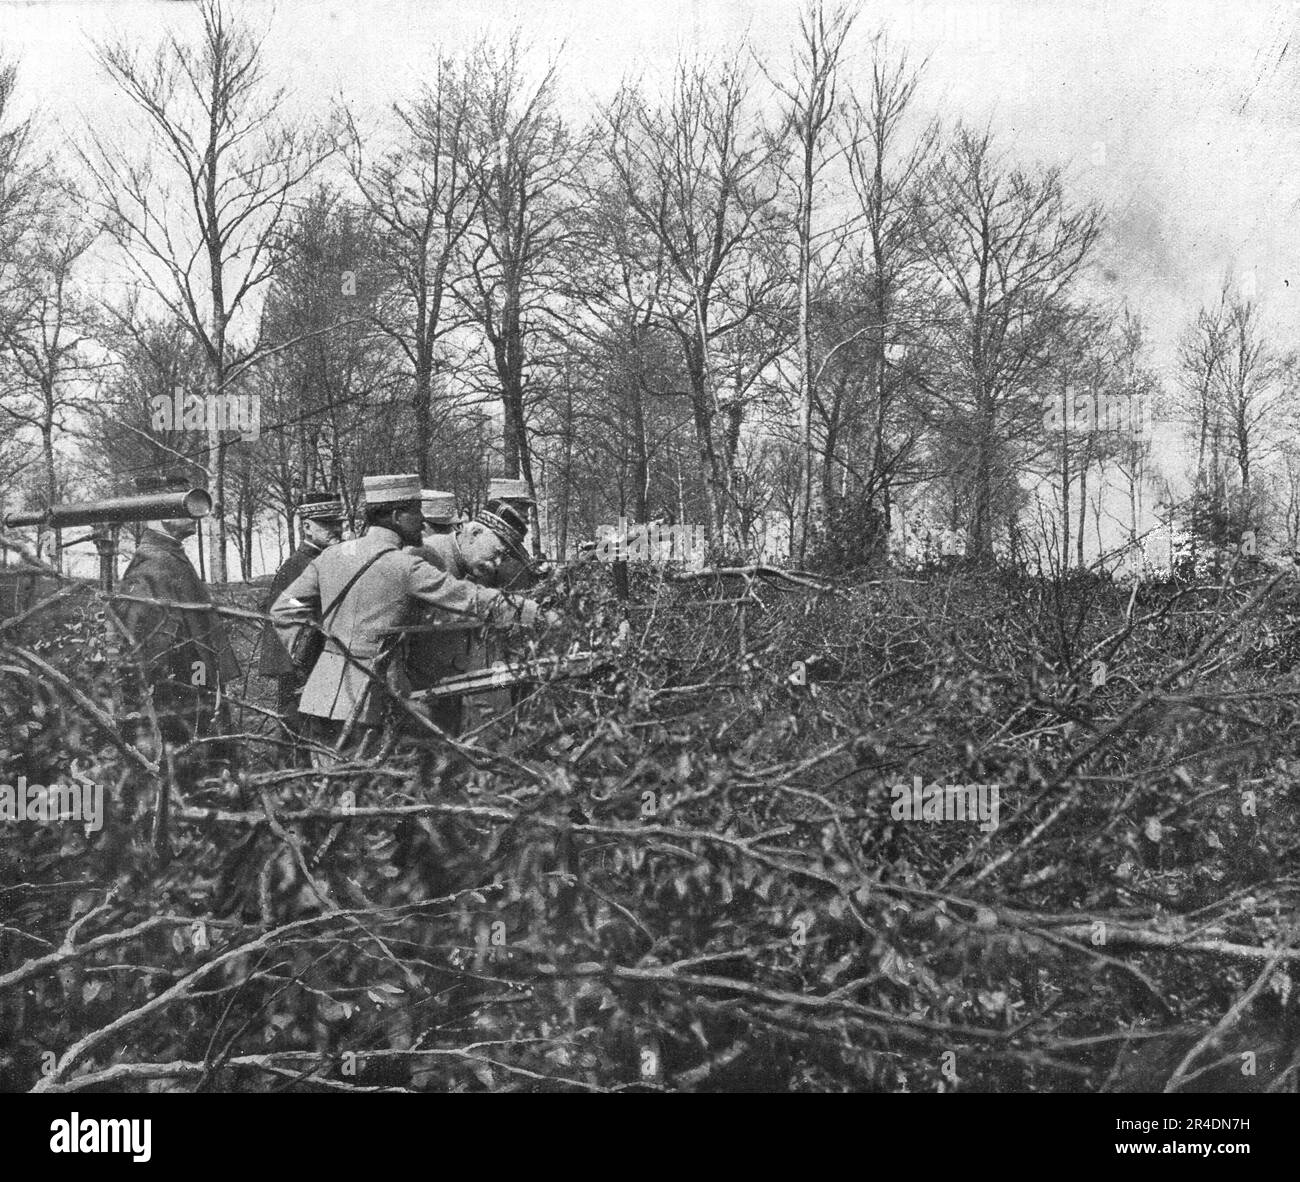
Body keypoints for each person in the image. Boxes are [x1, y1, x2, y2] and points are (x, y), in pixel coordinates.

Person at [269, 474, 553, 754]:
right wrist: (535, 612)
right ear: (396, 516)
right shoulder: (404, 567)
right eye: (416, 512)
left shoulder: (332, 556)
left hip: (320, 692)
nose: (422, 520)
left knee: (327, 777)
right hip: (367, 698)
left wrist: (306, 651)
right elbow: (471, 598)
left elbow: (286, 607)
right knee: (364, 777)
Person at [114, 473, 241, 853]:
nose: (195, 514)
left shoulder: (169, 559)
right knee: (182, 786)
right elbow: (145, 654)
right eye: (185, 504)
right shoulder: (151, 567)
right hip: (177, 704)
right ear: (160, 510)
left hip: (195, 694)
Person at [408, 500, 536, 735]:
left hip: (447, 685)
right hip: (417, 691)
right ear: (475, 533)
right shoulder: (426, 555)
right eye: (496, 553)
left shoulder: (471, 564)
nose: (496, 564)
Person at [257, 491, 345, 743]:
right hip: (300, 662)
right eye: (326, 523)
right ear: (307, 527)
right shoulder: (297, 566)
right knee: (297, 731)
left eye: (337, 522)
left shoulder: (327, 560)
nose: (336, 529)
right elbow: (284, 612)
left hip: (318, 658)